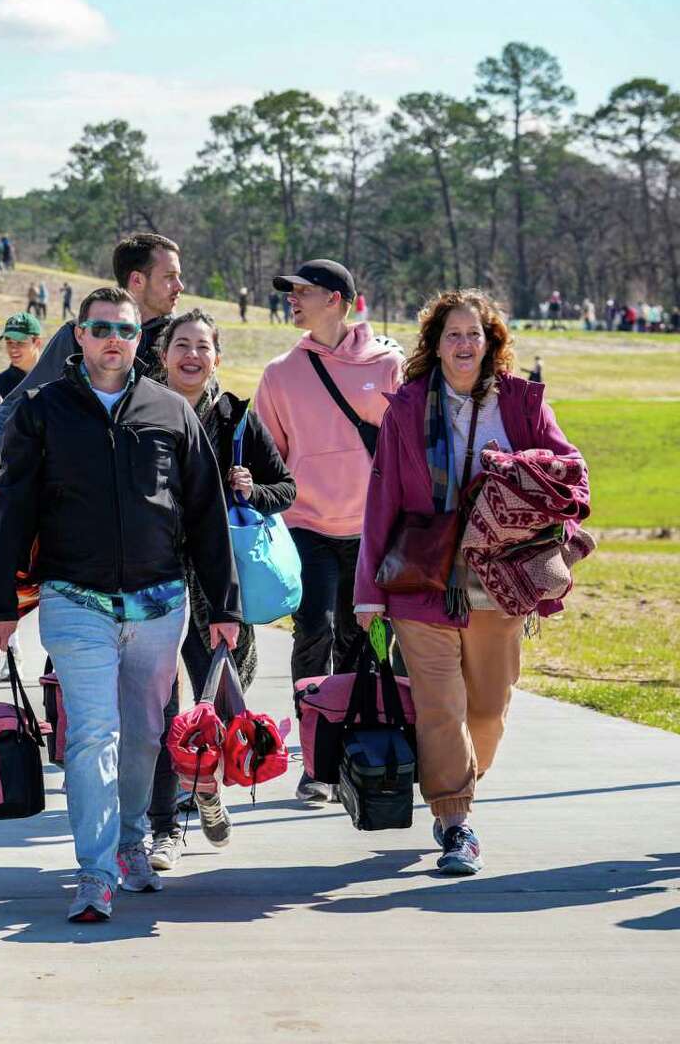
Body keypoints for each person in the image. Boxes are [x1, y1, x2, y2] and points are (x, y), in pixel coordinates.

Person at [0, 287, 240, 922]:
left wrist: (226, 607)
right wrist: (0, 605)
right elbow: (12, 509)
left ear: (137, 340)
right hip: (75, 599)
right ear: (78, 335)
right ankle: (94, 872)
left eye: (124, 329)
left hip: (160, 604)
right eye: (100, 328)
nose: (113, 339)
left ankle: (130, 842)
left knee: (144, 736)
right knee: (93, 735)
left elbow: (206, 514)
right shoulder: (44, 410)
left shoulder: (169, 411)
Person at [354, 289, 585, 876]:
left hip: (499, 582)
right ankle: (455, 820)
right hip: (421, 579)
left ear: (491, 344)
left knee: (486, 709)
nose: (464, 345)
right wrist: (368, 590)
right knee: (439, 708)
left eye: (474, 335)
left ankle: (459, 783)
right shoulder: (406, 408)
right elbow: (380, 497)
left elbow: (571, 470)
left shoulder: (522, 404)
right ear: (436, 344)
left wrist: (518, 472)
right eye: (453, 334)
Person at [144, 310, 293, 871]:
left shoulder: (237, 418)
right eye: (181, 345)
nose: (192, 356)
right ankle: (165, 825)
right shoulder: (141, 410)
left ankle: (205, 790)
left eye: (203, 347)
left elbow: (287, 489)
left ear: (217, 357)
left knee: (213, 700)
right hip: (153, 573)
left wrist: (254, 490)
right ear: (163, 355)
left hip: (218, 582)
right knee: (161, 704)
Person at [255, 258, 404, 802]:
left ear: (337, 299)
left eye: (303, 292)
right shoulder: (279, 373)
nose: (292, 299)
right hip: (307, 526)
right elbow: (271, 457)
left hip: (370, 528)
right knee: (312, 630)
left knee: (358, 637)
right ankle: (316, 760)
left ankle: (353, 748)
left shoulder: (388, 364)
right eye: (290, 292)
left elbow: (406, 448)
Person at [0, 233, 184, 490]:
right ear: (137, 280)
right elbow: (23, 398)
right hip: (83, 493)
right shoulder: (79, 335)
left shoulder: (183, 338)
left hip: (159, 496)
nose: (179, 286)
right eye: (169, 277)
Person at [0, 312, 44, 400]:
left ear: (37, 343)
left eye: (20, 342)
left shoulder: (57, 380)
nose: (13, 349)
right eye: (9, 342)